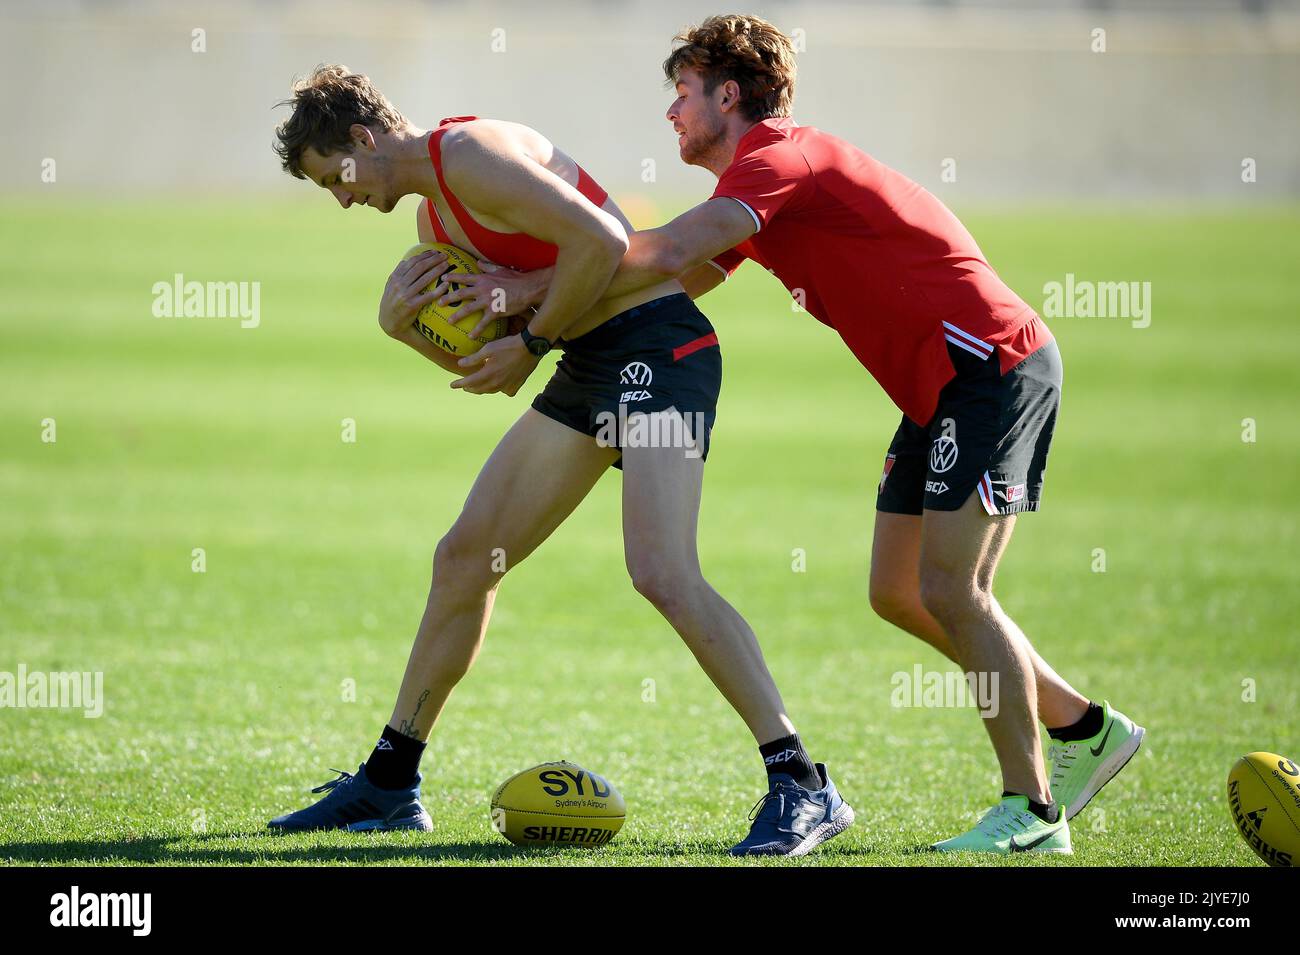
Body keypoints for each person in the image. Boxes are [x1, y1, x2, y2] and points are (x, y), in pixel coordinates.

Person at [443, 16, 1144, 854]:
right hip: (940, 388)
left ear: (728, 94)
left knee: (955, 589)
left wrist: (524, 292)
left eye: (683, 93)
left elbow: (671, 248)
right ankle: (1083, 729)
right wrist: (555, 316)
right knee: (901, 590)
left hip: (989, 364)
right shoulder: (757, 182)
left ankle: (1031, 811)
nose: (671, 113)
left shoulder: (779, 158)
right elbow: (685, 276)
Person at [265, 65, 854, 856]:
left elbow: (604, 243)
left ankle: (803, 785)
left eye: (332, 176)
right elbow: (493, 361)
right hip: (589, 369)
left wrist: (534, 336)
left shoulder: (469, 155)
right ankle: (390, 782)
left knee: (661, 572)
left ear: (364, 141)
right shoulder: (434, 229)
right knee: (466, 557)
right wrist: (402, 330)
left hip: (661, 350)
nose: (340, 198)